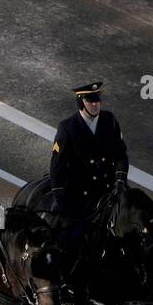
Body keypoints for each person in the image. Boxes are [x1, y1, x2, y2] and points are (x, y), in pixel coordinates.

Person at [48, 80, 129, 253]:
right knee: (71, 240)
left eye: (97, 100)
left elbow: (121, 155)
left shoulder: (109, 120)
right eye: (90, 101)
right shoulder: (67, 128)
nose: (95, 104)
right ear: (80, 102)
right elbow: (57, 166)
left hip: (110, 190)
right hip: (82, 195)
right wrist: (59, 198)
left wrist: (120, 181)